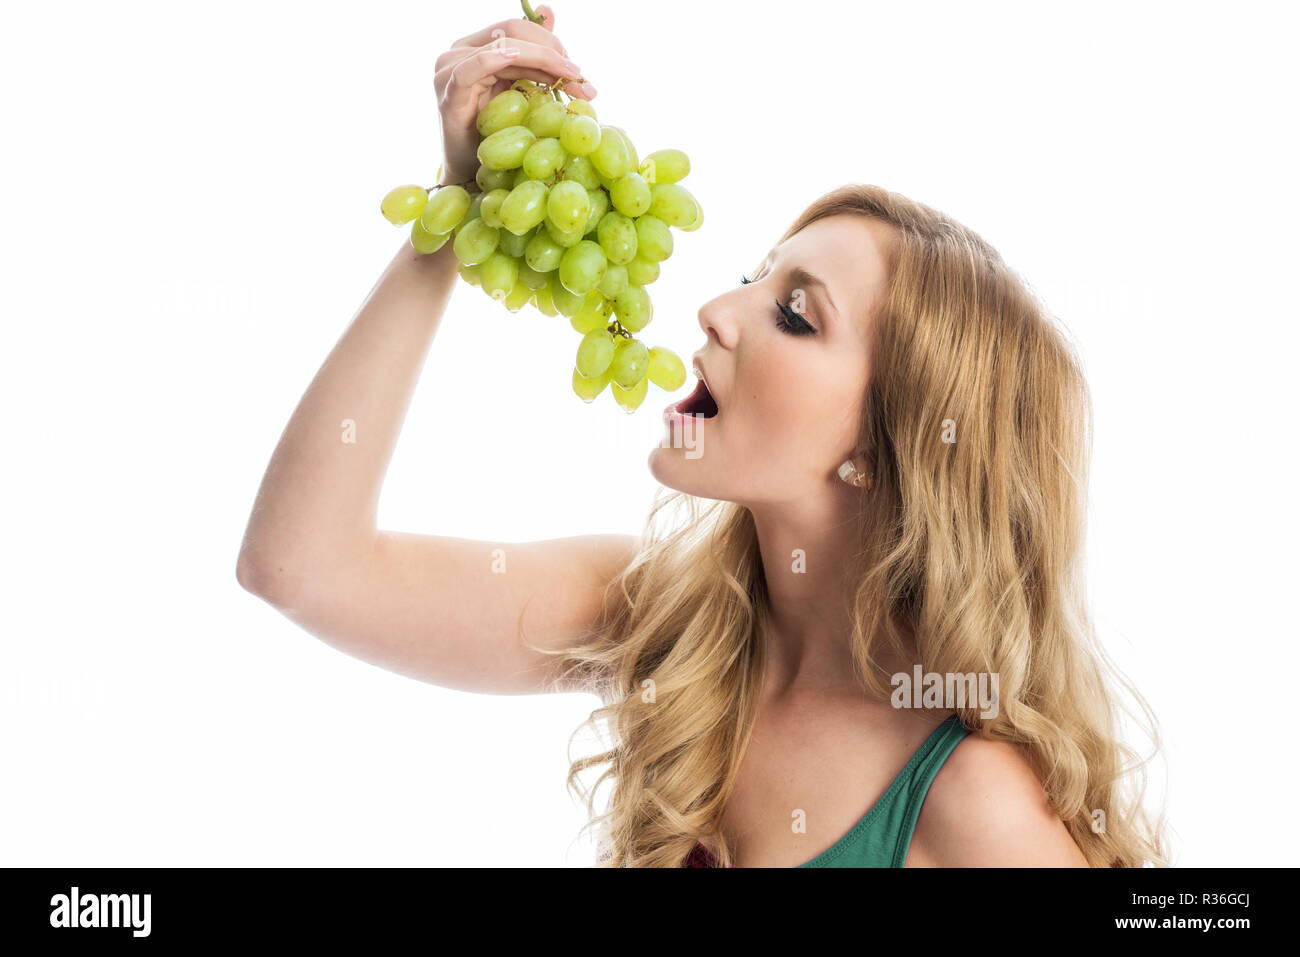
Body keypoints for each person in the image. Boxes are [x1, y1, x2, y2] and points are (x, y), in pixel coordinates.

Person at [236, 5, 1169, 868]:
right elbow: (300, 565)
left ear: (887, 448)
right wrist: (455, 211)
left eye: (796, 315)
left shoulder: (976, 801)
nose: (719, 312)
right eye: (753, 281)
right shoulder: (661, 625)